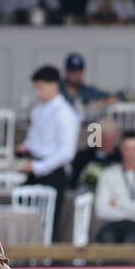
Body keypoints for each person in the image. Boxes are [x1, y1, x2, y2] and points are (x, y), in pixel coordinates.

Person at [15, 66, 79, 234]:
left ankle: (45, 258)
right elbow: (34, 137)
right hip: (34, 167)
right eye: (36, 88)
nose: (38, 93)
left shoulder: (65, 114)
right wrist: (26, 147)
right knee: (25, 218)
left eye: (41, 88)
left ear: (54, 85)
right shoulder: (38, 109)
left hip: (52, 171)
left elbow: (67, 152)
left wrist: (38, 167)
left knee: (47, 222)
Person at [94, 130, 135, 244]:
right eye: (127, 149)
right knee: (106, 241)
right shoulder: (108, 174)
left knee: (130, 243)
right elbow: (101, 210)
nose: (130, 153)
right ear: (121, 149)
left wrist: (118, 203)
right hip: (113, 224)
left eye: (134, 149)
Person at [62, 53, 116, 120]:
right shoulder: (58, 91)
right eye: (73, 71)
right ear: (66, 71)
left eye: (79, 71)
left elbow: (113, 98)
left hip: (83, 127)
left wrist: (99, 104)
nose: (76, 75)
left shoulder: (88, 91)